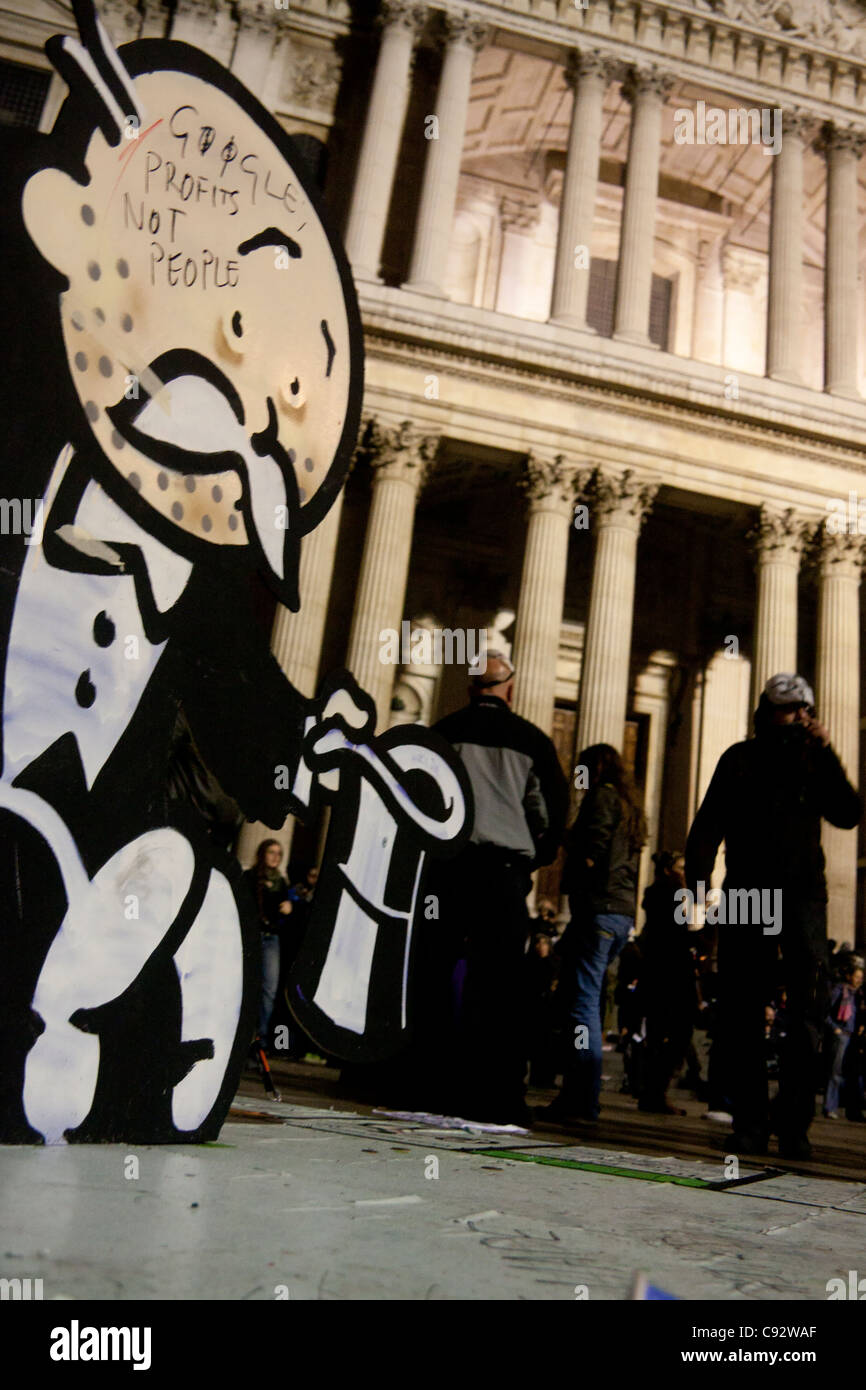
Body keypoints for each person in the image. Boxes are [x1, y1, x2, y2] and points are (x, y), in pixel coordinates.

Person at [685, 673, 861, 1159]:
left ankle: (795, 1123)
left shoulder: (812, 759)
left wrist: (826, 751)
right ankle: (750, 1121)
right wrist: (698, 887)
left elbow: (848, 812)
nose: (796, 717)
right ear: (768, 711)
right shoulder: (739, 758)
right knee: (742, 1010)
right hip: (748, 890)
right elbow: (707, 825)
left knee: (807, 1010)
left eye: (802, 709)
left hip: (802, 894)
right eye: (788, 709)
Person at [428, 651, 569, 1124]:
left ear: (471, 688)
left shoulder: (441, 733)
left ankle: (432, 1080)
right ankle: (496, 1092)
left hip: (447, 867)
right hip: (503, 872)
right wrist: (540, 853)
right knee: (503, 984)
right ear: (509, 687)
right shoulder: (533, 740)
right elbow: (552, 810)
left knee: (435, 971)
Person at [542, 742, 647, 1124]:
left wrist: (574, 848)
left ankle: (582, 1098)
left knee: (583, 1004)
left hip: (599, 909)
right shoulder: (628, 805)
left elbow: (595, 850)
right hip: (617, 914)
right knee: (577, 994)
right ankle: (575, 1091)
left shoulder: (603, 797)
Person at [636, 850, 698, 1115]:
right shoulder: (673, 894)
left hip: (659, 974)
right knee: (676, 1034)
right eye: (681, 867)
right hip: (672, 974)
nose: (685, 872)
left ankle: (653, 1092)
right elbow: (683, 934)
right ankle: (655, 1092)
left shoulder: (660, 894)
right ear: (667, 870)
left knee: (661, 1034)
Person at [244, 840, 292, 1048]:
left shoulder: (282, 883)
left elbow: (286, 919)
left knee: (269, 990)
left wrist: (289, 909)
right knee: (247, 987)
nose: (275, 857)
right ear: (262, 853)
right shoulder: (250, 877)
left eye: (279, 854)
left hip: (272, 938)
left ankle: (260, 1042)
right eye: (271, 852)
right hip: (252, 937)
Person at [824, 960, 863, 1118]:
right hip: (841, 1036)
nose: (859, 979)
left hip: (853, 1037)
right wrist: (835, 1029)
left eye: (861, 977)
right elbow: (826, 1013)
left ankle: (850, 1108)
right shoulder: (840, 991)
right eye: (857, 976)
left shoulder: (857, 993)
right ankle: (829, 1107)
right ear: (848, 976)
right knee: (836, 1072)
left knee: (851, 1074)